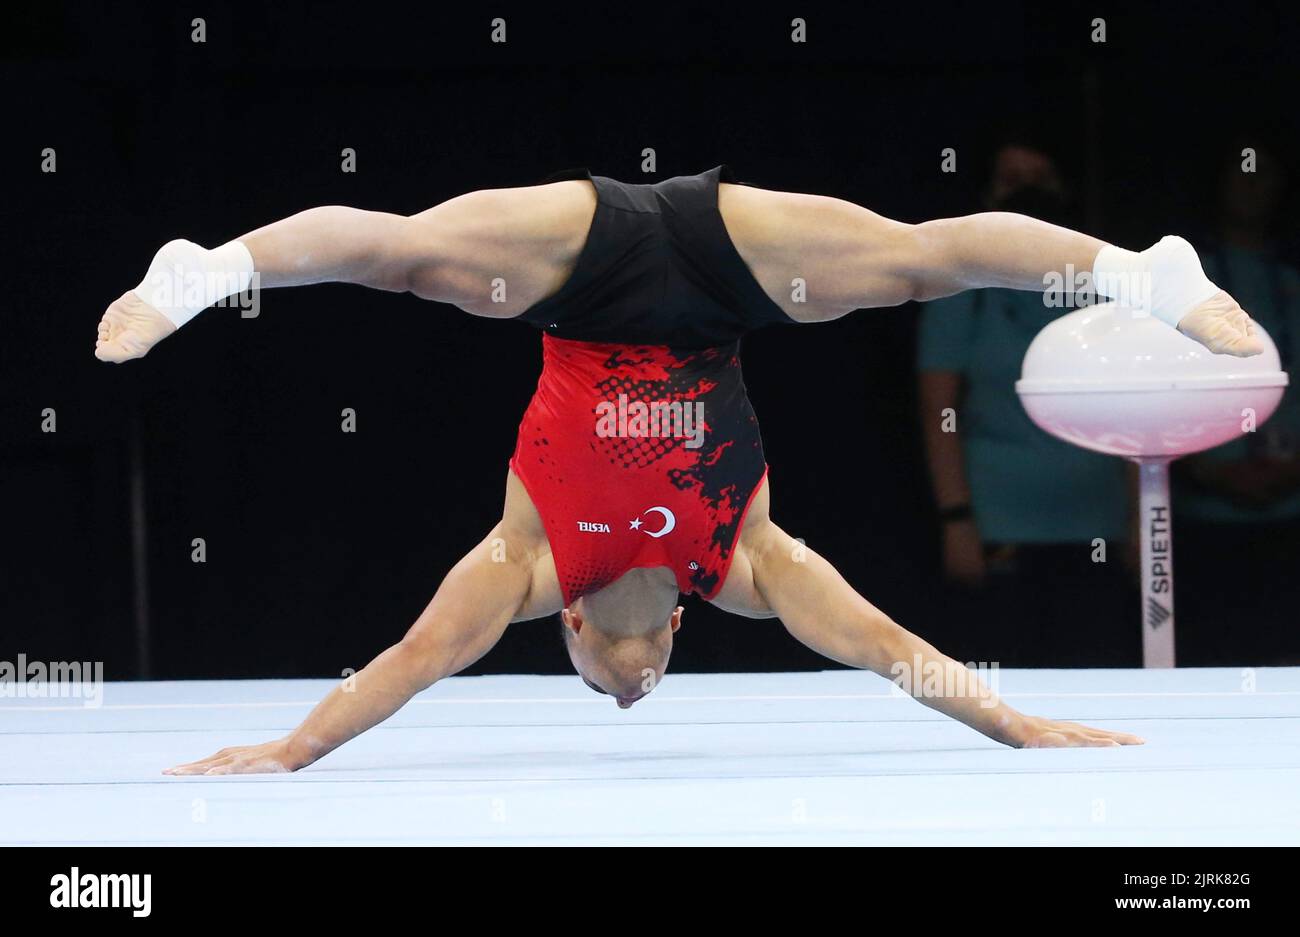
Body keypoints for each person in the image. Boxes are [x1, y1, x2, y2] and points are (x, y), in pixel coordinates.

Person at [93, 165, 1259, 773]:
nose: (633, 684)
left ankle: (207, 267)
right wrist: (1017, 725)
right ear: (679, 636)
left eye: (608, 683)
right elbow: (899, 653)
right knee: (915, 266)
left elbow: (409, 663)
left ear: (572, 635)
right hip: (724, 277)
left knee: (405, 256)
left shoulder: (527, 563)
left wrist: (293, 750)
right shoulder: (741, 563)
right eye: (643, 686)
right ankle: (1152, 273)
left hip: (574, 275)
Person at [917, 144, 1136, 666]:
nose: (1029, 191)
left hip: (1098, 521)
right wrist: (956, 520)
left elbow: (1134, 409)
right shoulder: (959, 286)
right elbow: (938, 413)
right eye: (1012, 180)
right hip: (999, 528)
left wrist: (1141, 522)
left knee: (1103, 674)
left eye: (1040, 177)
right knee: (1007, 674)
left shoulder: (1106, 283)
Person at [1175, 146, 1300, 663]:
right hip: (1201, 508)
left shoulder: (1291, 277)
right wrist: (1206, 473)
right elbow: (1161, 383)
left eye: (1266, 173)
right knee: (1212, 655)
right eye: (1242, 171)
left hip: (1290, 502)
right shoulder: (1184, 281)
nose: (1253, 184)